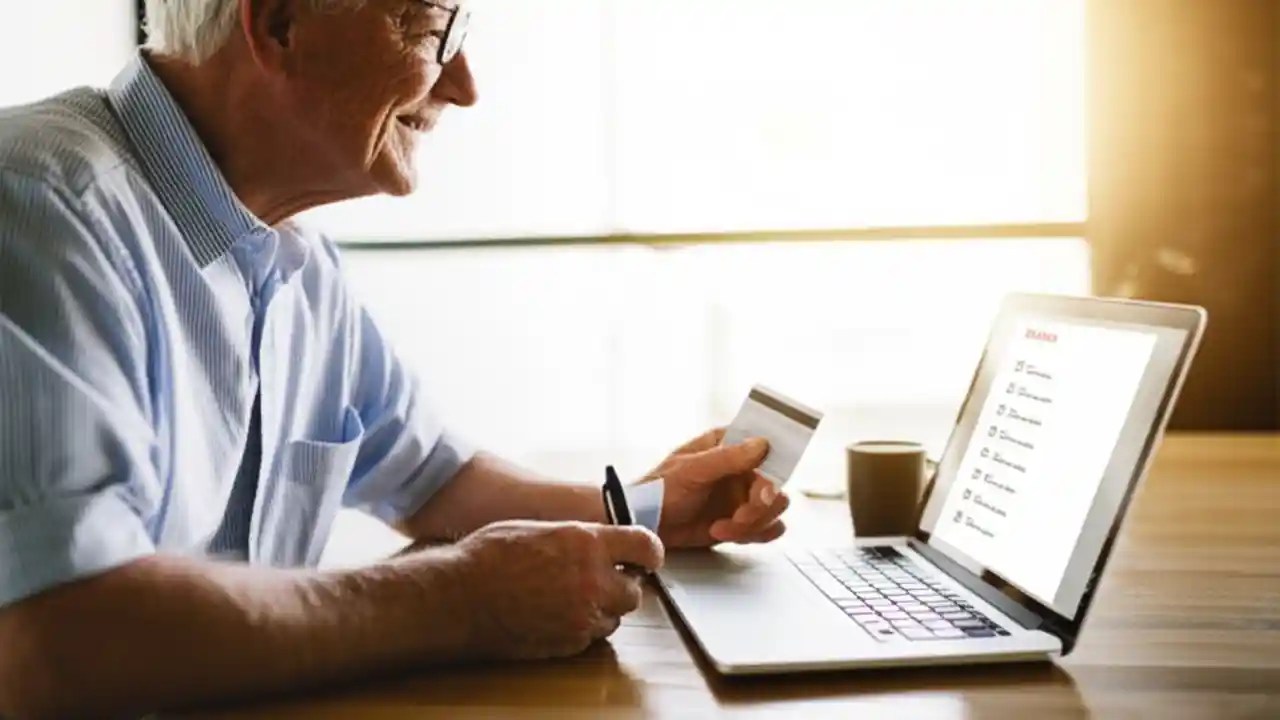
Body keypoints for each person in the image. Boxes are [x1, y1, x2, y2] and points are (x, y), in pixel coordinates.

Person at [0, 0, 790, 717]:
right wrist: (460, 601)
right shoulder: (41, 206)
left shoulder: (296, 263)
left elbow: (439, 480)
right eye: (430, 28)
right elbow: (56, 634)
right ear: (278, 24)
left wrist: (648, 510)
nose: (465, 85)